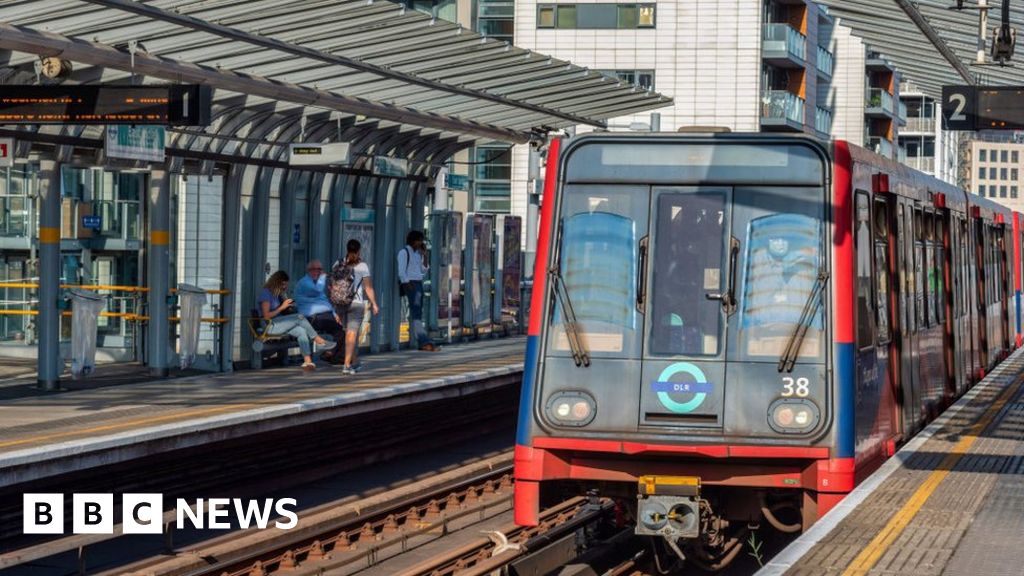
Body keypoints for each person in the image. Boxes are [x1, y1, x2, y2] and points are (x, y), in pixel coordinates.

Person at [258, 270, 336, 372]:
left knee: (301, 331)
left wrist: (288, 306)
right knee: (299, 317)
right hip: (270, 326)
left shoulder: (277, 295)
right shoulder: (266, 294)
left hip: (279, 323)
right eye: (283, 284)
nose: (284, 287)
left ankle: (307, 362)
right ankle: (318, 340)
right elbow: (266, 316)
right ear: (276, 282)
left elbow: (282, 312)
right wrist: (282, 307)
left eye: (286, 284)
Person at [332, 239, 379, 374]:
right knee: (352, 334)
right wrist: (374, 304)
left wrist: (335, 308)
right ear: (359, 250)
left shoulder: (338, 263)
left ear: (347, 249)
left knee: (348, 333)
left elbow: (333, 286)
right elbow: (368, 288)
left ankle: (355, 361)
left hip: (341, 303)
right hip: (356, 303)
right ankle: (347, 365)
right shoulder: (362, 266)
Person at [294, 259, 344, 364]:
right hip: (312, 318)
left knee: (341, 330)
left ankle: (334, 356)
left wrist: (335, 314)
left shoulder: (317, 284)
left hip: (324, 316)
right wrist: (322, 277)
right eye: (314, 269)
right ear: (308, 270)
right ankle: (331, 354)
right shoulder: (304, 283)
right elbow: (317, 290)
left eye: (320, 269)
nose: (317, 272)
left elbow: (325, 302)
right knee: (340, 329)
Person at [398, 230, 437, 351]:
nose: (421, 243)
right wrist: (406, 283)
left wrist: (424, 255)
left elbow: (424, 270)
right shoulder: (404, 252)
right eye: (419, 240)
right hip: (411, 283)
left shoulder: (417, 253)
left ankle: (422, 340)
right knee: (416, 313)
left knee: (418, 312)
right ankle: (422, 340)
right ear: (413, 241)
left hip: (418, 282)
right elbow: (401, 270)